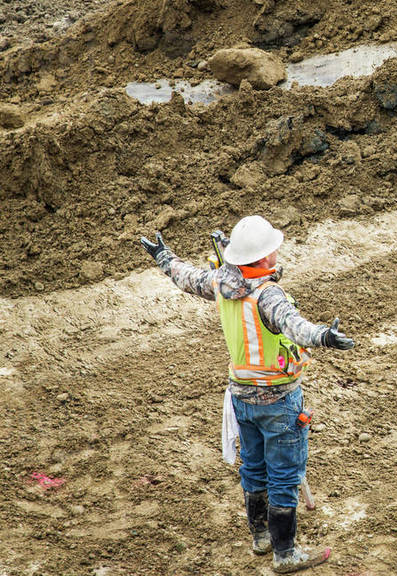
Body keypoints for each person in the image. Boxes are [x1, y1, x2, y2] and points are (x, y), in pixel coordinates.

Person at [139, 215, 354, 574]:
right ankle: (285, 553)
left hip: (241, 397)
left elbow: (186, 276)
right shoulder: (267, 294)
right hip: (279, 400)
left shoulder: (221, 281)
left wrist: (163, 256)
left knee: (253, 467)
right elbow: (293, 325)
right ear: (264, 256)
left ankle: (261, 537)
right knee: (284, 474)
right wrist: (324, 337)